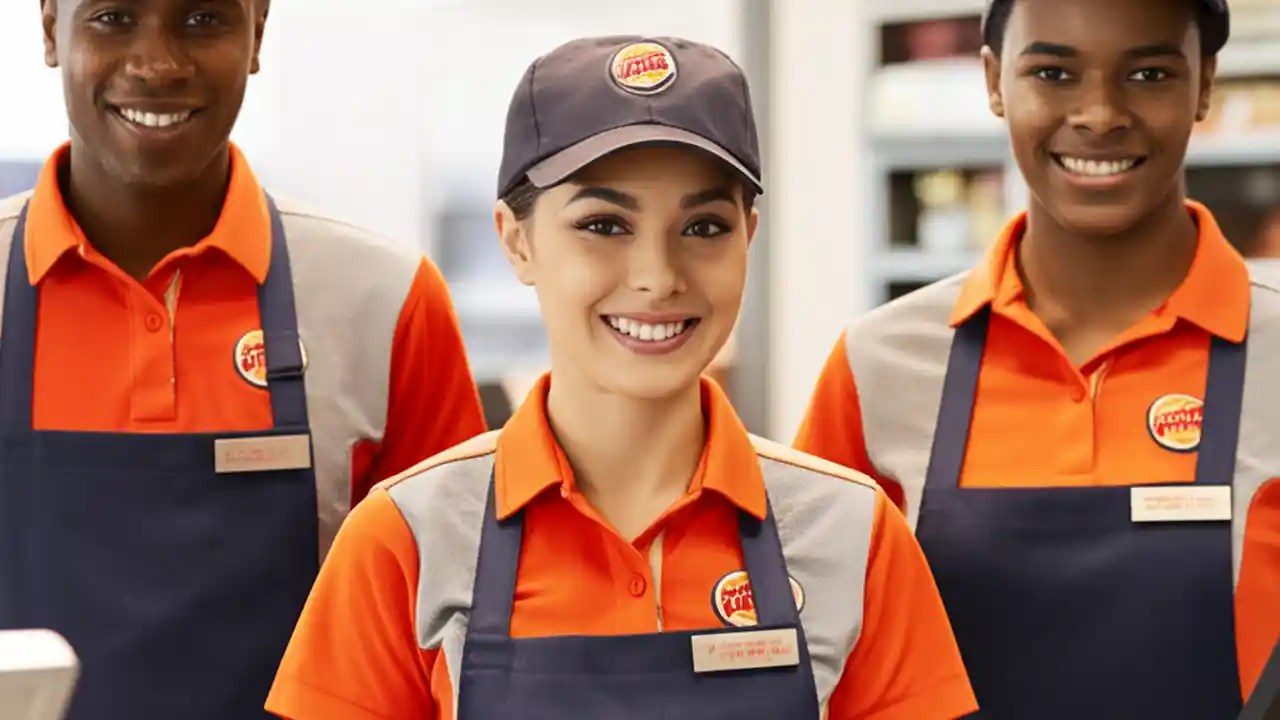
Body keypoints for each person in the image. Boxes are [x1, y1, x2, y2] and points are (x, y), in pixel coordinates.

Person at [265, 35, 978, 720]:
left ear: (749, 240)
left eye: (703, 228)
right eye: (604, 225)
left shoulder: (852, 535)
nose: (657, 278)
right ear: (517, 241)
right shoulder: (406, 541)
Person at [0, 1, 486, 718]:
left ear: (258, 30)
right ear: (50, 28)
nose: (157, 63)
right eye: (112, 17)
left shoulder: (385, 302)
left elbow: (451, 646)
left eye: (202, 19)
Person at [795, 0, 1280, 717]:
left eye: (1148, 73)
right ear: (994, 81)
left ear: (1205, 83)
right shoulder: (881, 364)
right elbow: (814, 657)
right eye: (1052, 72)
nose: (1100, 113)